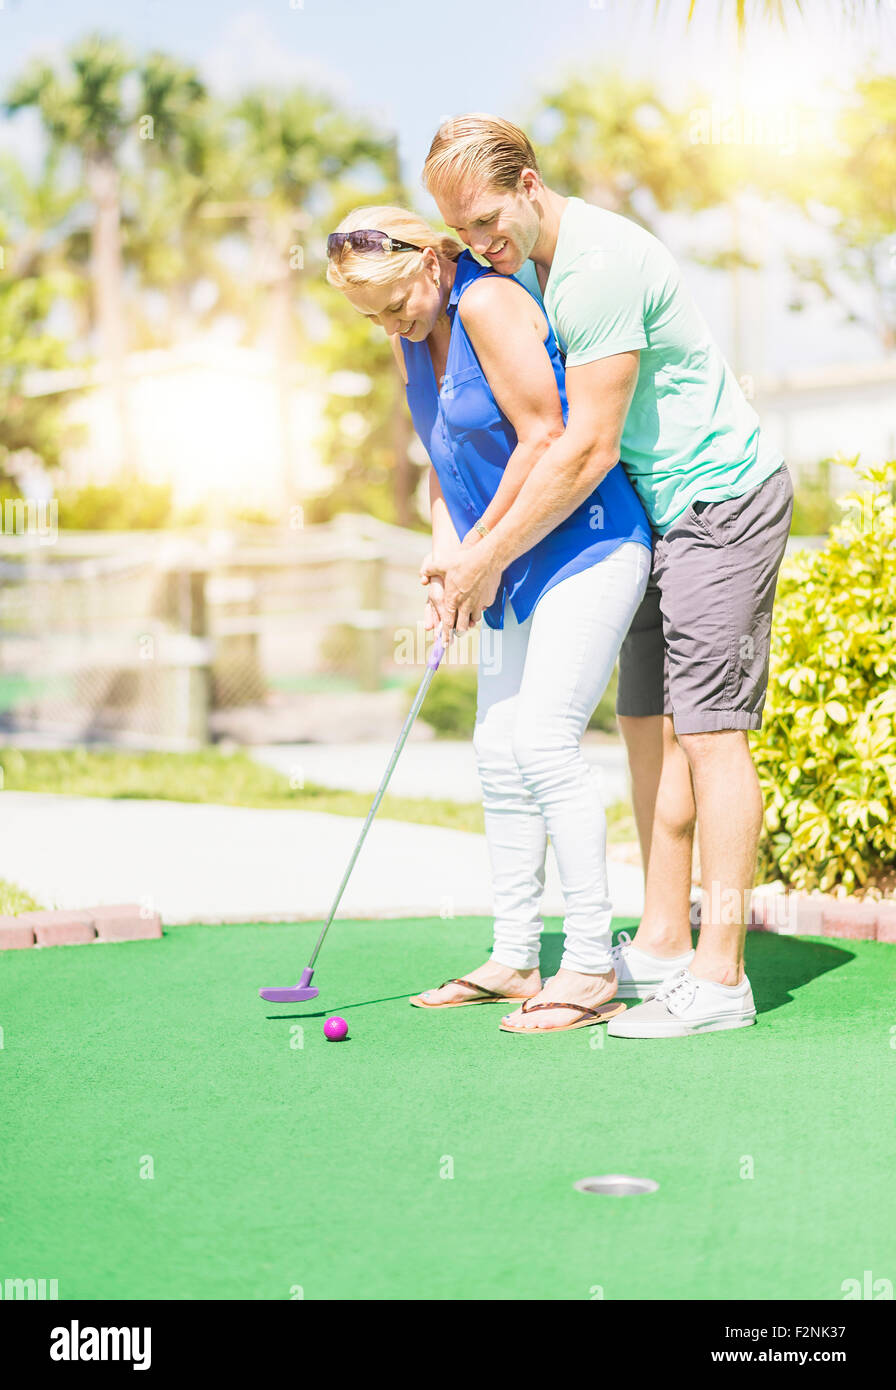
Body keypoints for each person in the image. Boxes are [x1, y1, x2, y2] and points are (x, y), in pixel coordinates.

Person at [420, 114, 795, 1038]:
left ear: (529, 185)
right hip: (656, 513)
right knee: (644, 729)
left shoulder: (595, 269)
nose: (479, 243)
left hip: (720, 500)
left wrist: (483, 559)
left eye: (488, 218)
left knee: (711, 735)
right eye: (462, 231)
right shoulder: (524, 272)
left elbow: (582, 448)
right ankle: (664, 944)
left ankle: (721, 978)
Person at [326, 206, 653, 1033]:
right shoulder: (413, 339)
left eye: (395, 302)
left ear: (429, 261)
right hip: (503, 565)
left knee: (543, 744)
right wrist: (447, 561)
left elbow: (548, 436)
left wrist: (483, 554)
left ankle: (588, 967)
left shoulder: (486, 302)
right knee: (495, 752)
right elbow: (445, 466)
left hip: (585, 546)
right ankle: (514, 958)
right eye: (373, 316)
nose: (391, 324)